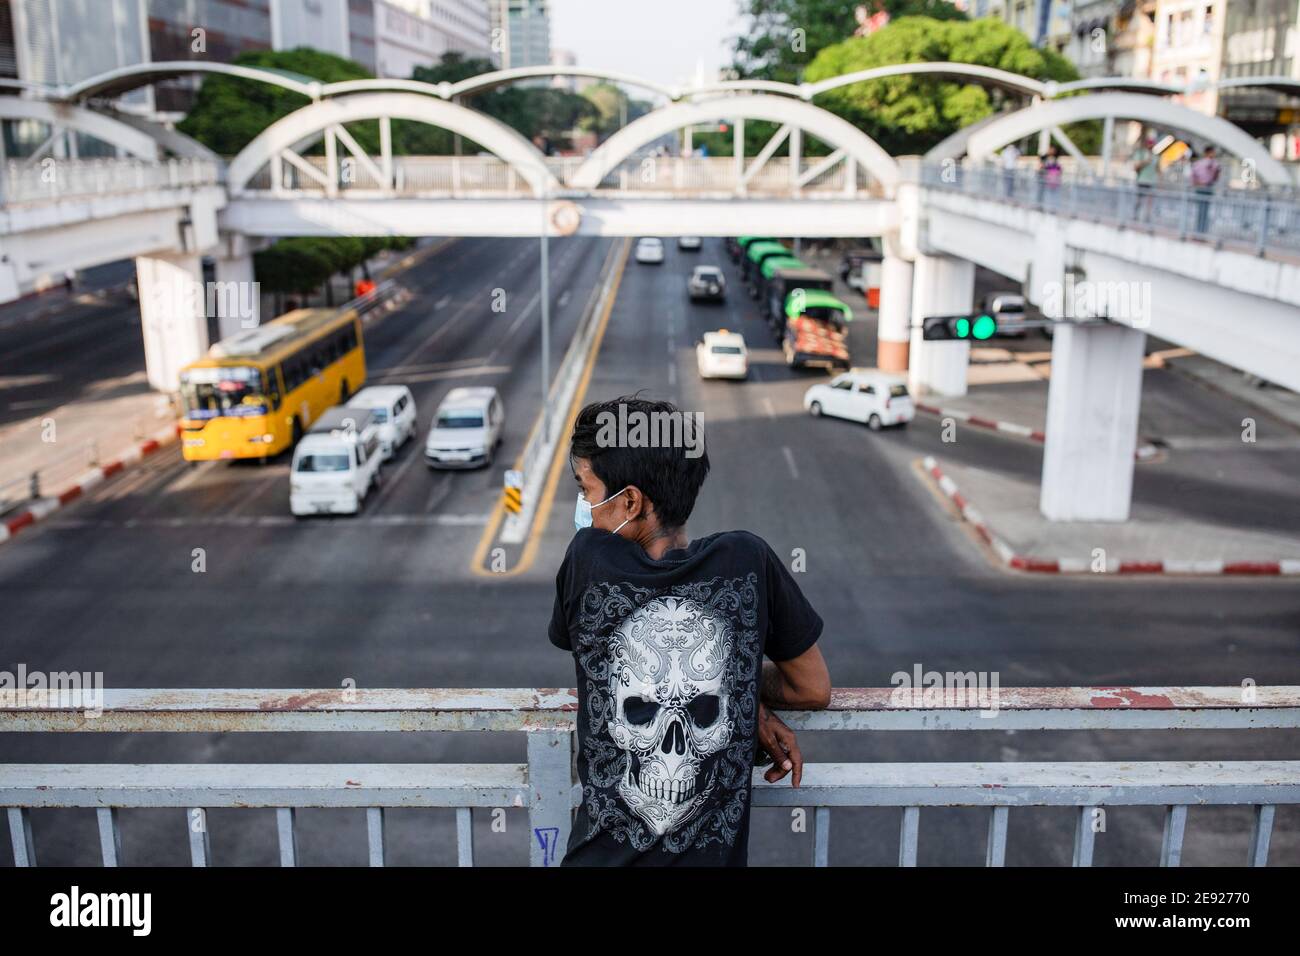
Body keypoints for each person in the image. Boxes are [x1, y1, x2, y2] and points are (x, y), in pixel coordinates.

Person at [549, 395, 831, 866]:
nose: (586, 508)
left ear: (631, 501)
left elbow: (588, 653)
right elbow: (812, 687)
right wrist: (736, 689)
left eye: (588, 491)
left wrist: (729, 690)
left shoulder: (587, 560)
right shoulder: (748, 559)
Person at [1189, 145, 1222, 234]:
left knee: (1205, 211)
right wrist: (1197, 184)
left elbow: (1215, 178)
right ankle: (1199, 232)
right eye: (1212, 152)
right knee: (1201, 211)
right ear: (1208, 153)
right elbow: (1193, 176)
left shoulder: (1215, 164)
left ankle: (1201, 232)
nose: (1213, 154)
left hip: (1208, 188)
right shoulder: (1200, 163)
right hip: (1202, 188)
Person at [1132, 133, 1160, 221]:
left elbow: (1158, 169)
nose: (1151, 145)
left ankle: (1147, 217)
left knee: (1150, 201)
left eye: (1152, 143)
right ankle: (1135, 215)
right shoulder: (1140, 154)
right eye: (1149, 143)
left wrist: (1159, 181)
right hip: (1142, 181)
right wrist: (1146, 161)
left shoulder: (1156, 157)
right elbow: (1135, 167)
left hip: (1151, 182)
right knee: (1139, 200)